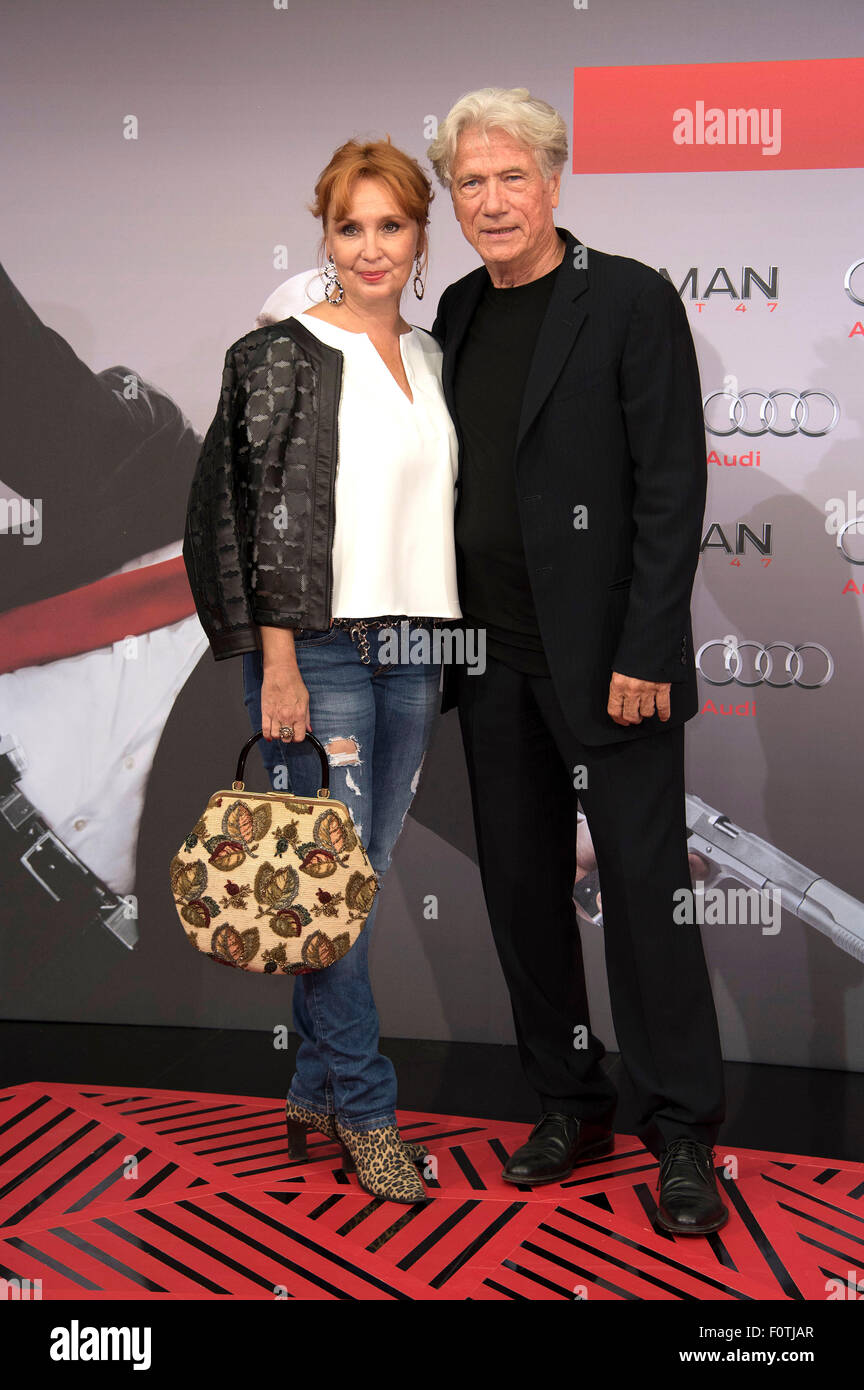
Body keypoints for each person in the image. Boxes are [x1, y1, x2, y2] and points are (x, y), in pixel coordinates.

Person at [428, 87, 728, 1234]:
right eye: (471, 182)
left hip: (613, 666)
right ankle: (569, 1097)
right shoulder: (454, 309)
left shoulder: (631, 298)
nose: (492, 200)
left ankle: (684, 1131)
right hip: (489, 661)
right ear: (452, 196)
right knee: (521, 897)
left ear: (554, 180)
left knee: (649, 902)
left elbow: (670, 485)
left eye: (512, 177)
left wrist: (648, 644)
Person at [183, 137, 461, 1204]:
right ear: (326, 236)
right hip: (325, 652)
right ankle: (369, 1111)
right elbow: (241, 514)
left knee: (355, 879)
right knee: (330, 895)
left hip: (418, 650)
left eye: (392, 225)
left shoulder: (434, 359)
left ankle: (311, 1085)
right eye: (351, 226)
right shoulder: (276, 355)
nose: (372, 247)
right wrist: (280, 661)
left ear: (419, 235)